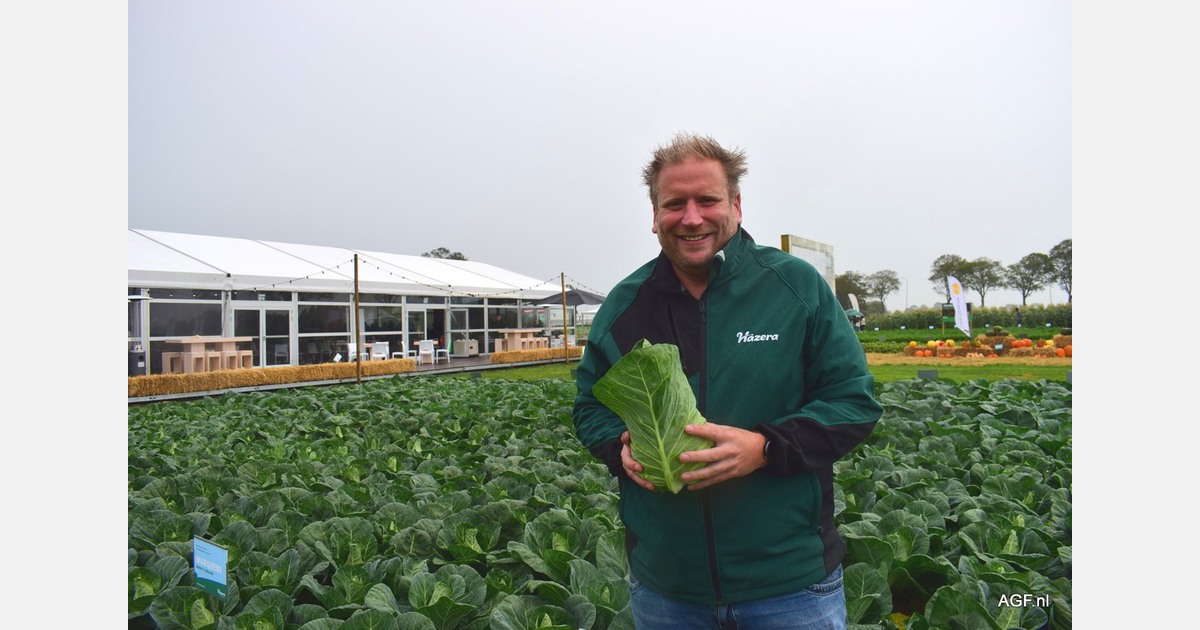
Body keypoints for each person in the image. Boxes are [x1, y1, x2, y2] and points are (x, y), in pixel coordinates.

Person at [573, 133, 883, 629]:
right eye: (674, 203)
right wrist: (618, 447)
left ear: (735, 204)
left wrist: (763, 448)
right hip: (667, 589)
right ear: (655, 214)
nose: (691, 217)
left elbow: (853, 403)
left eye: (707, 200)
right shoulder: (624, 305)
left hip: (790, 586)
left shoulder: (795, 287)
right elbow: (590, 406)